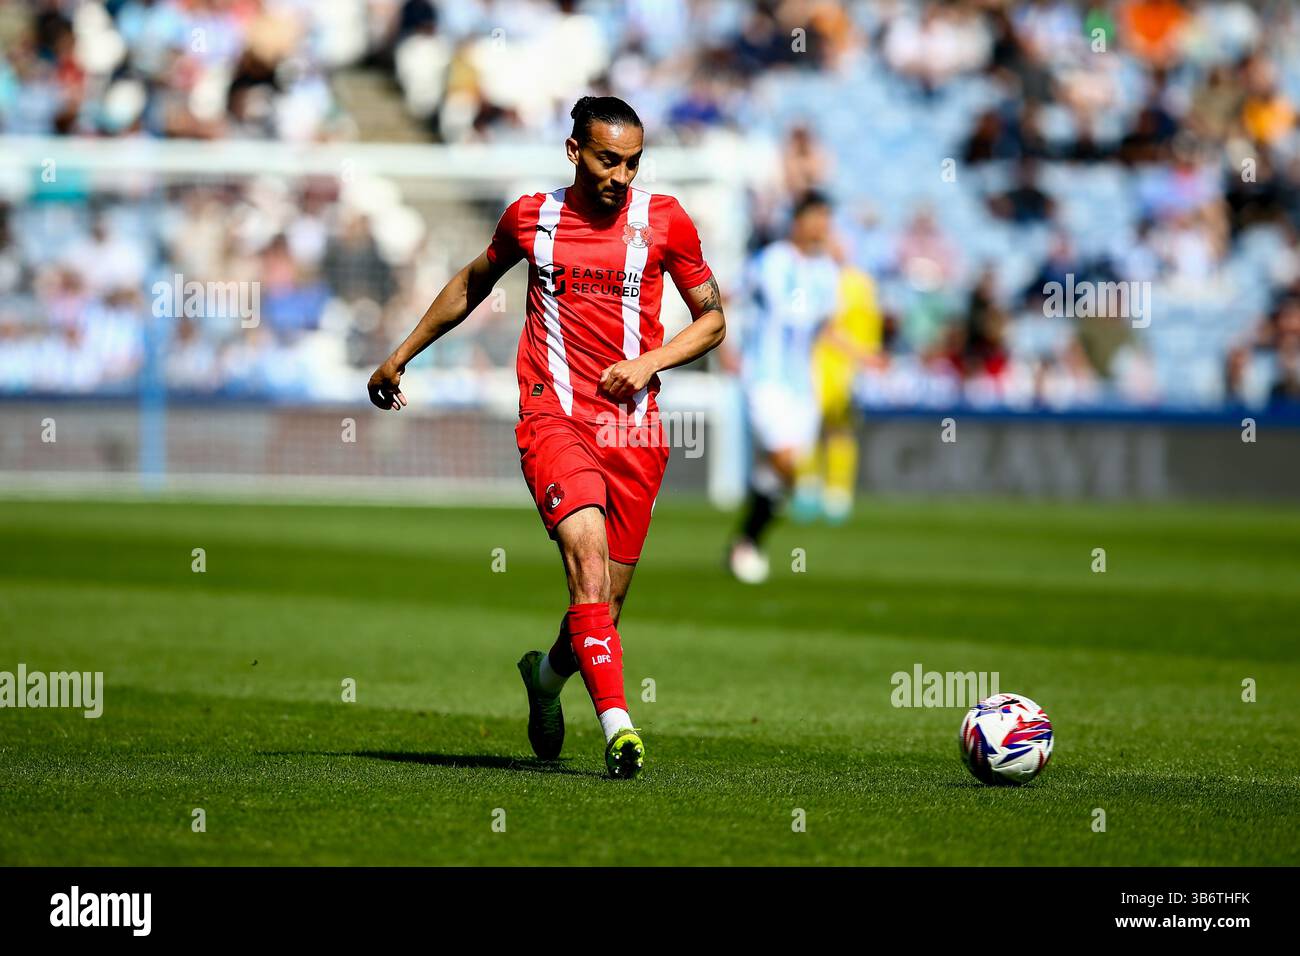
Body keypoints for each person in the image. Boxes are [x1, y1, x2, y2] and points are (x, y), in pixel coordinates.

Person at [367, 96, 725, 779]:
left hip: (635, 431)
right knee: (586, 564)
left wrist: (649, 363)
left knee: (603, 610)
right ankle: (621, 731)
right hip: (552, 417)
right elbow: (474, 280)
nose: (619, 175)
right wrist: (401, 353)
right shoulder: (532, 217)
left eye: (631, 162)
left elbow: (712, 320)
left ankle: (547, 678)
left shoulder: (666, 221)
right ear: (573, 151)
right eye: (606, 159)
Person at [728, 191, 839, 583]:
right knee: (786, 459)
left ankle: (745, 541)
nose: (823, 225)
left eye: (827, 218)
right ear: (799, 219)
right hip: (764, 378)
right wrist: (725, 347)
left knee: (775, 475)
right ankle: (750, 538)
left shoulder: (827, 270)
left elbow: (824, 328)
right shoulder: (770, 261)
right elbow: (723, 297)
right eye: (817, 216)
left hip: (801, 386)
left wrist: (865, 354)